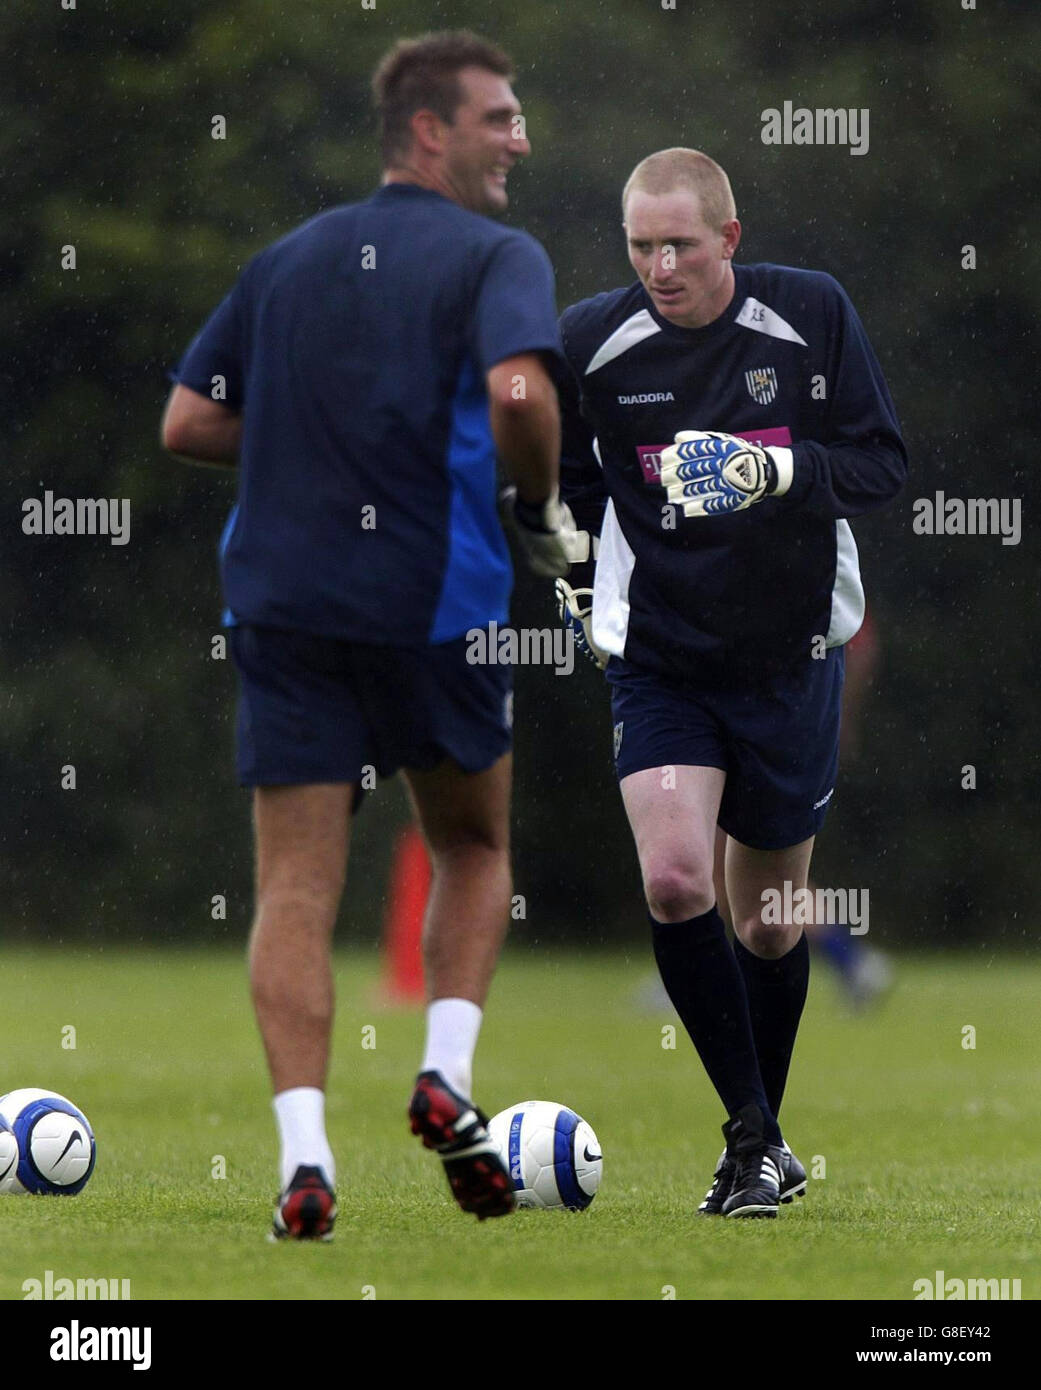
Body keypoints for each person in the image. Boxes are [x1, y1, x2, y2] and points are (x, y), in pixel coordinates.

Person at [161, 30, 577, 1238]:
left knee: (292, 884)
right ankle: (445, 1076)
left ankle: (305, 1157)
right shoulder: (499, 253)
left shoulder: (284, 261)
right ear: (430, 131)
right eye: (500, 117)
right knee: (475, 845)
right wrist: (543, 508)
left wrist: (300, 436)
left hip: (283, 606)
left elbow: (190, 421)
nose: (522, 138)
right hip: (434, 605)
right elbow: (518, 392)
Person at [556, 147, 907, 1218]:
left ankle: (769, 1139)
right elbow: (561, 486)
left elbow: (882, 466)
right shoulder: (590, 343)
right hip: (662, 660)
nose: (660, 264)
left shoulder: (810, 315)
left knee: (766, 921)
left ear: (730, 240)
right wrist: (578, 586)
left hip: (789, 659)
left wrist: (778, 468)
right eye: (641, 245)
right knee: (673, 878)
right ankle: (750, 1136)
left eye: (682, 244)